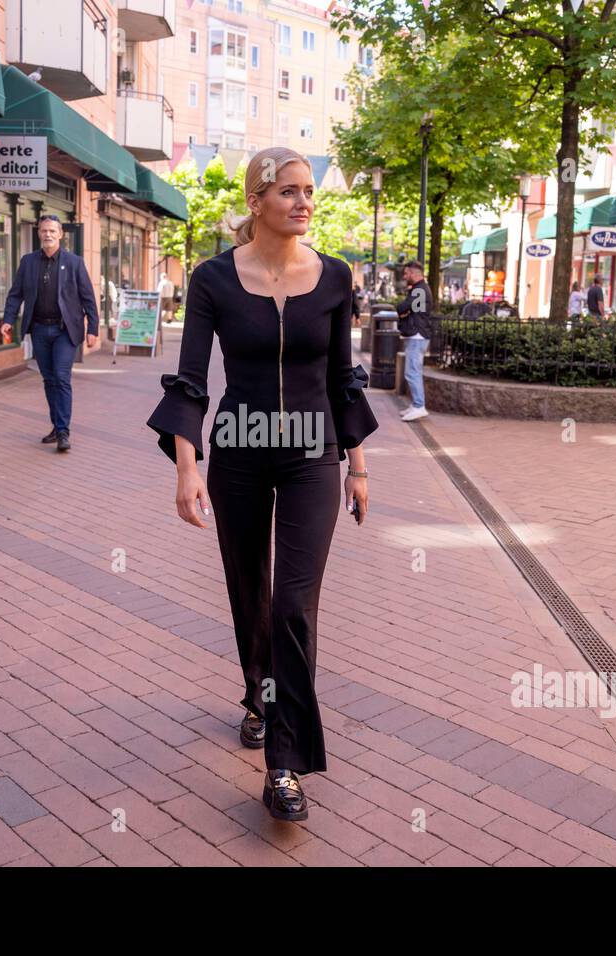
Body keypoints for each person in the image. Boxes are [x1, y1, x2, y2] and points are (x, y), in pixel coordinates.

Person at [145, 147, 378, 823]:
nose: (304, 202)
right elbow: (191, 379)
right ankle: (257, 692)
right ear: (256, 202)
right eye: (288, 192)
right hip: (240, 456)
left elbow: (344, 379)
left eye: (308, 191)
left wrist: (357, 466)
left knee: (294, 607)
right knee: (251, 592)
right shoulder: (213, 279)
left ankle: (284, 763)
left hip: (312, 455)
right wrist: (187, 466)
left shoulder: (335, 278)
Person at [3, 215, 99, 452]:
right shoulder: (28, 262)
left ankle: (64, 431)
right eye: (44, 230)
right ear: (38, 233)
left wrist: (93, 329)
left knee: (61, 376)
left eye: (52, 231)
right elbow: (16, 294)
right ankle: (57, 426)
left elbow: (88, 297)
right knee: (48, 379)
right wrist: (7, 319)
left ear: (60, 234)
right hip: (39, 329)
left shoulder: (74, 262)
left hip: (64, 330)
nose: (48, 234)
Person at [396, 259, 434, 421]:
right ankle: (416, 404)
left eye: (406, 273)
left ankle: (419, 406)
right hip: (417, 335)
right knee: (412, 371)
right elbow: (410, 310)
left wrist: (403, 310)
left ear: (413, 273)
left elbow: (404, 308)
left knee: (412, 372)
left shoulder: (419, 290)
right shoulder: (420, 289)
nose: (404, 276)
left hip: (417, 336)